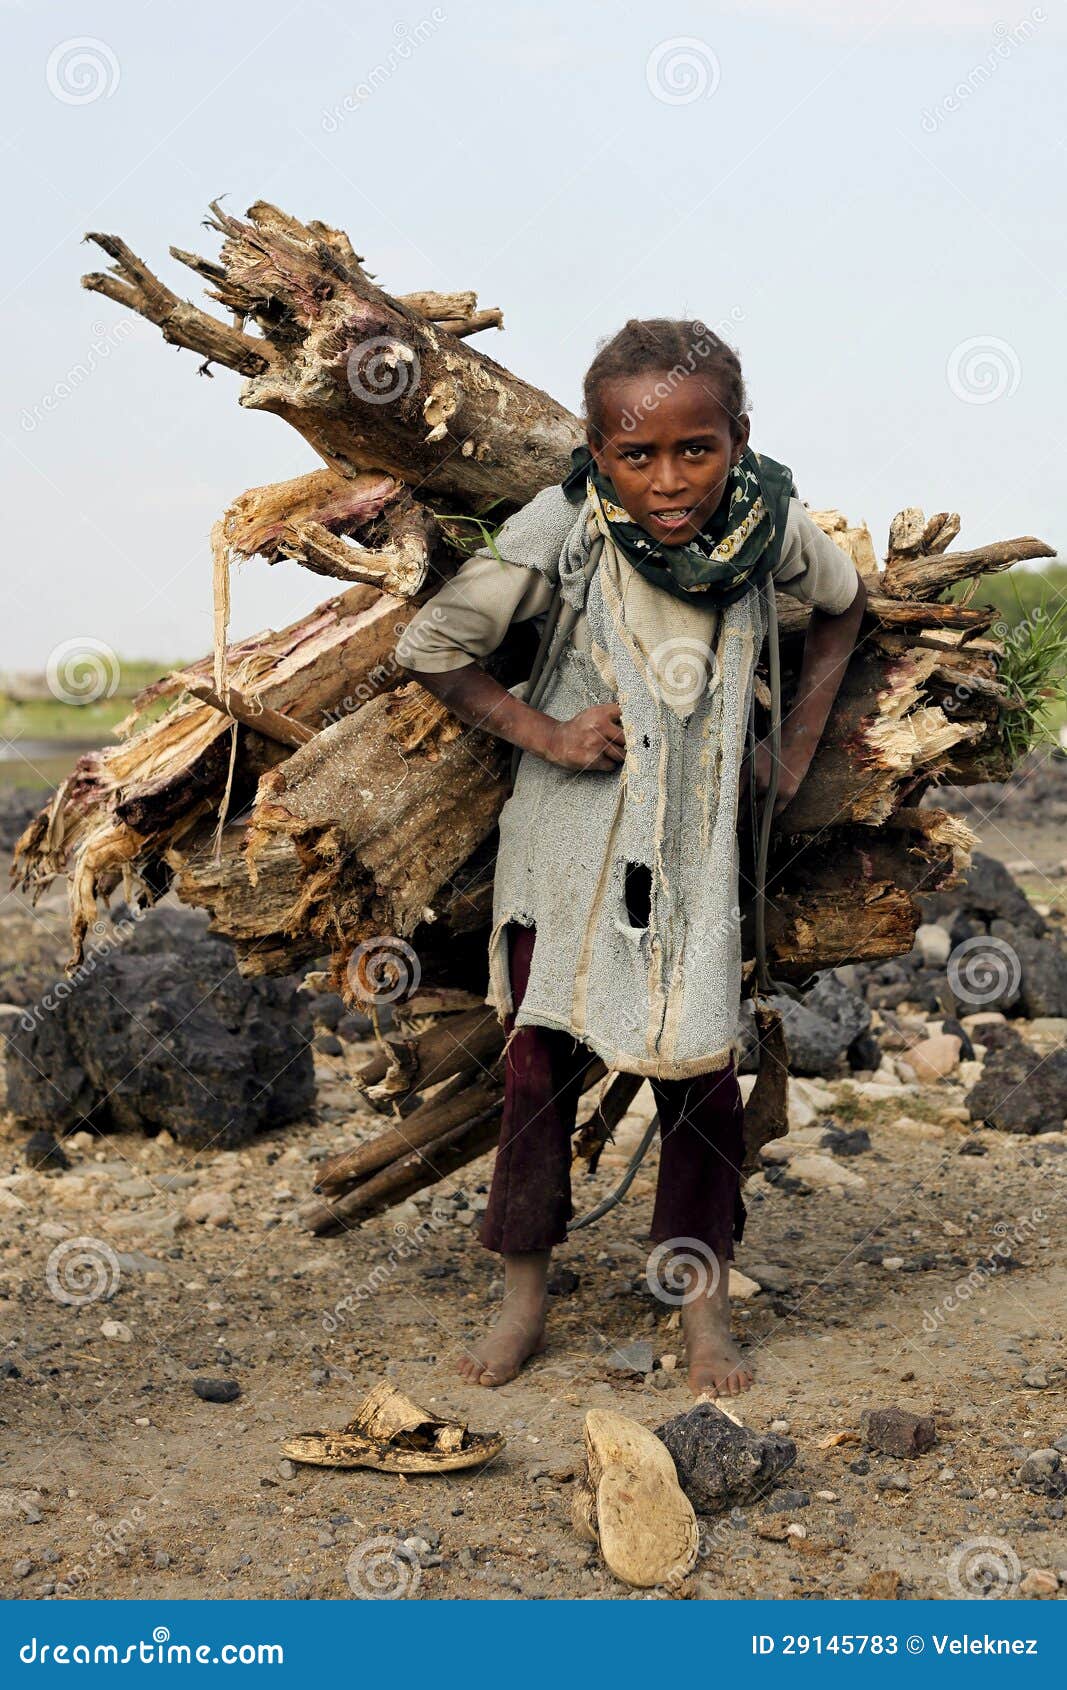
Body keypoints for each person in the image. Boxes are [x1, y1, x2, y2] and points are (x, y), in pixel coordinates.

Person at [395, 318, 866, 1396]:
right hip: (566, 851)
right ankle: (521, 1301)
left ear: (738, 438)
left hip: (694, 856)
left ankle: (702, 1316)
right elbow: (432, 647)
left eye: (693, 449)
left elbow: (840, 610)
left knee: (699, 1078)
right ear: (597, 451)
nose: (668, 478)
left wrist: (788, 750)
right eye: (636, 452)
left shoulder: (770, 523)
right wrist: (548, 734)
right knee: (537, 1067)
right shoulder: (561, 524)